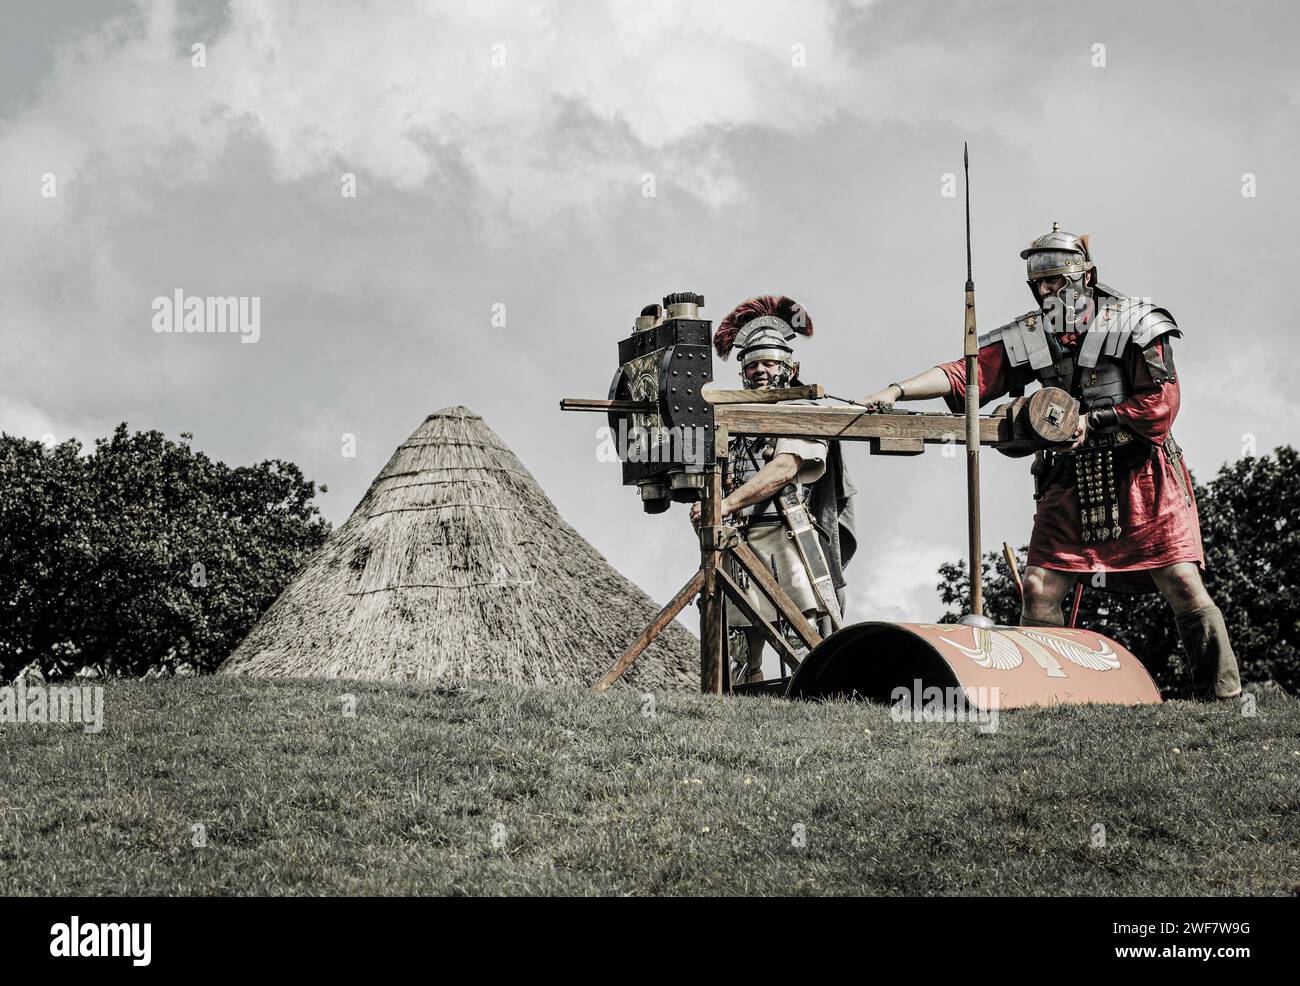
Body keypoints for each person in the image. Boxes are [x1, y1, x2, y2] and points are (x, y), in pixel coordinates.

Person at [859, 223, 1240, 700]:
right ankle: (1046, 698)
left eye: (1055, 281)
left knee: (1180, 580)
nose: (1046, 291)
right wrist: (895, 390)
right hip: (1070, 479)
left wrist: (1094, 419)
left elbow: (1159, 409)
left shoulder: (1139, 323)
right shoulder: (1032, 335)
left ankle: (1220, 696)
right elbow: (968, 372)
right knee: (1038, 587)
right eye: (1039, 283)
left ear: (1084, 277)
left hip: (1142, 475)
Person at [690, 295, 856, 684]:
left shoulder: (804, 411)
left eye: (768, 363)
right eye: (751, 365)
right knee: (742, 643)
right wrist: (708, 503)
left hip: (787, 533)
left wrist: (726, 503)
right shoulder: (732, 421)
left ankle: (818, 694)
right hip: (738, 536)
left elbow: (784, 468)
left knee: (804, 629)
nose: (760, 371)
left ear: (790, 367)